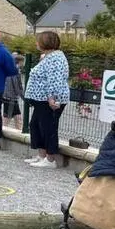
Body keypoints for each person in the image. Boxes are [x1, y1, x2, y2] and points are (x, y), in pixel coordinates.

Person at [24, 31, 69, 168]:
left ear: (45, 42)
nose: (36, 43)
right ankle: (41, 155)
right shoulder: (49, 57)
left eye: (38, 40)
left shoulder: (55, 59)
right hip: (40, 100)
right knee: (36, 125)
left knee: (48, 128)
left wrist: (52, 97)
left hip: (48, 100)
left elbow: (54, 79)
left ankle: (50, 160)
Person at [2, 53, 25, 130]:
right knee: (6, 119)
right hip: (11, 98)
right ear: (19, 62)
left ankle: (20, 132)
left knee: (18, 117)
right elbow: (18, 87)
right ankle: (0, 133)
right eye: (23, 62)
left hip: (9, 97)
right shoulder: (15, 71)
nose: (23, 64)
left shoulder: (9, 69)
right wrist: (25, 98)